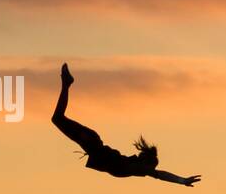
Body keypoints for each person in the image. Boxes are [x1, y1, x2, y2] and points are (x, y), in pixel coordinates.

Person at [51, 63, 200, 186]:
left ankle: (66, 84)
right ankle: (66, 84)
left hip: (92, 142)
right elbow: (160, 175)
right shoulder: (138, 167)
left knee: (57, 118)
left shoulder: (134, 166)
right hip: (92, 142)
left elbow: (158, 174)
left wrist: (181, 180)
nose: (150, 172)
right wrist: (181, 180)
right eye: (151, 168)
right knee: (57, 118)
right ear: (146, 163)